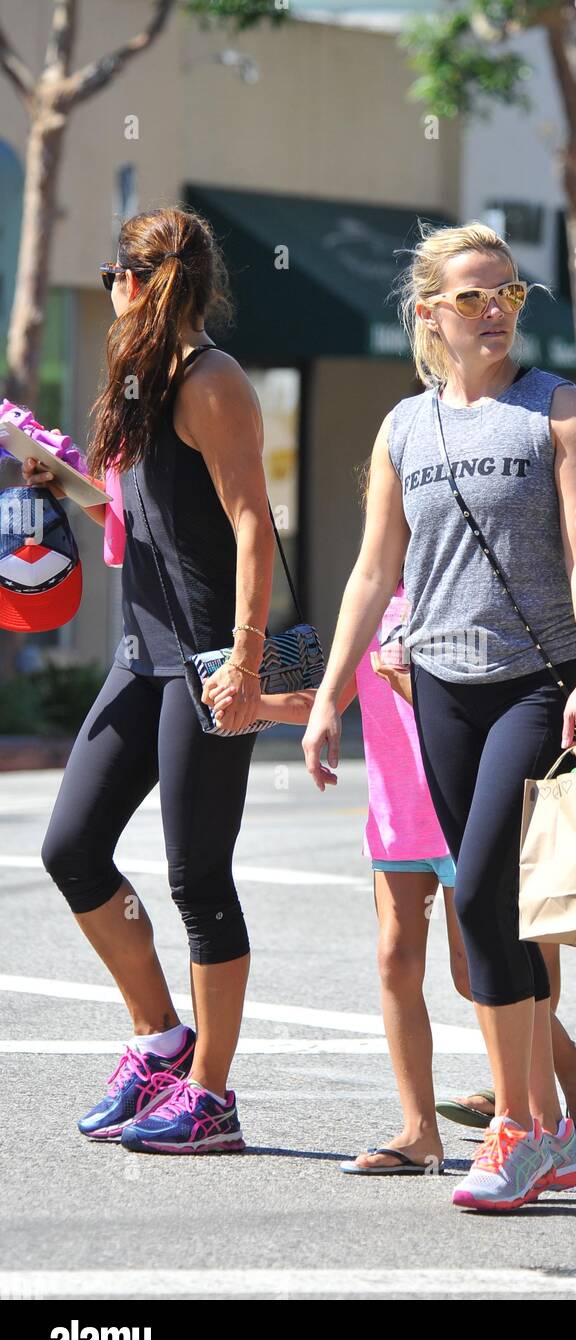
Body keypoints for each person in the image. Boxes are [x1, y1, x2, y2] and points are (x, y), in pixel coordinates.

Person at [299, 219, 576, 1211]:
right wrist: (325, 695)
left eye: (509, 293)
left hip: (534, 675)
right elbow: (371, 570)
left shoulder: (557, 411)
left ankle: (517, 1127)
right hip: (436, 682)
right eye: (473, 295)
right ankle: (547, 1132)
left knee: (480, 889)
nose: (494, 310)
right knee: (495, 905)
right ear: (430, 312)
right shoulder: (404, 426)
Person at [28, 206, 273, 1154]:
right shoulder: (143, 378)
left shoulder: (211, 382)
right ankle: (162, 1037)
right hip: (144, 651)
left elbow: (253, 521)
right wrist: (67, 481)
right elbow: (148, 522)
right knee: (73, 847)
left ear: (137, 282)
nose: (110, 291)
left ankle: (211, 1093)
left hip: (210, 657)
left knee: (197, 878)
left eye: (111, 276)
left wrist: (246, 660)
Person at [208, 575, 473, 1175]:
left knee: (476, 973)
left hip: (461, 805)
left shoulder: (458, 590)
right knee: (395, 960)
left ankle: (567, 1074)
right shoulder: (373, 604)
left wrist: (408, 682)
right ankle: (419, 1132)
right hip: (398, 814)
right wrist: (251, 707)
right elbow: (325, 697)